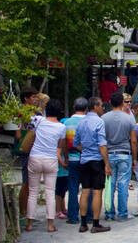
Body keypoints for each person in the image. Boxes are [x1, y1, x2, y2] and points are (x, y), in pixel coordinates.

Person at [25, 99, 66, 233]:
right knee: (50, 192)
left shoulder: (38, 120)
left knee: (33, 192)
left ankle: (30, 224)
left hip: (35, 157)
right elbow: (61, 144)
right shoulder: (61, 127)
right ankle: (50, 225)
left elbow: (26, 123)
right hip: (50, 159)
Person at [75, 96, 110, 232]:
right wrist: (106, 163)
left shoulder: (81, 122)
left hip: (84, 160)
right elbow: (102, 144)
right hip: (96, 160)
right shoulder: (99, 122)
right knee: (97, 192)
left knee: (84, 191)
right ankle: (95, 224)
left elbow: (75, 143)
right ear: (95, 106)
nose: (102, 108)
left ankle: (83, 223)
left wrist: (85, 150)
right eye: (101, 105)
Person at [103, 89, 136, 221]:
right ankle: (122, 212)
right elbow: (133, 140)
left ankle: (109, 212)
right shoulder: (129, 118)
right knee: (123, 184)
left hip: (109, 153)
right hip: (124, 153)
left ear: (110, 102)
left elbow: (102, 140)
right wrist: (134, 157)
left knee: (110, 184)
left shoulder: (104, 118)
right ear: (123, 102)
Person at [15, 86, 41, 226]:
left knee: (31, 183)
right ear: (26, 98)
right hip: (27, 150)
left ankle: (27, 213)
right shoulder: (21, 114)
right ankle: (23, 212)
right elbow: (18, 134)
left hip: (33, 150)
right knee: (26, 182)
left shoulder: (35, 113)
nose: (36, 99)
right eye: (33, 97)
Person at [62, 98, 88, 224]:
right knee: (87, 187)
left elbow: (64, 144)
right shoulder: (89, 122)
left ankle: (72, 216)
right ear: (86, 108)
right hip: (87, 158)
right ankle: (88, 215)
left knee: (73, 188)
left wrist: (66, 158)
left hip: (72, 159)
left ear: (74, 107)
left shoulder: (66, 123)